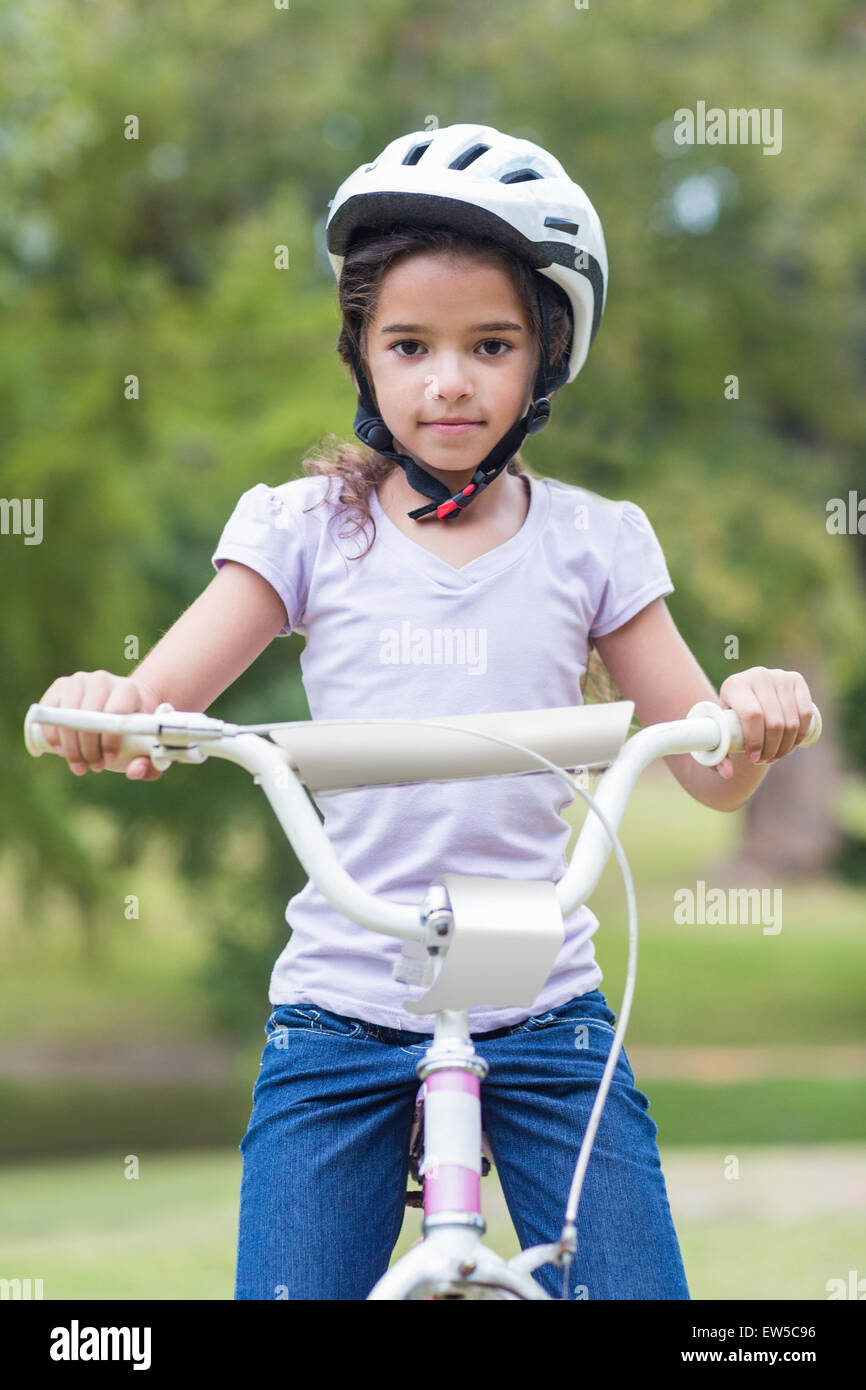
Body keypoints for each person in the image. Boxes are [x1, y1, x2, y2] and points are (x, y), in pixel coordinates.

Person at [38, 123, 816, 1301]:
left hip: (542, 1010)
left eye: (488, 344)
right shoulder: (302, 531)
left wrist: (750, 715)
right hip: (343, 1009)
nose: (447, 379)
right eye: (409, 345)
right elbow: (157, 710)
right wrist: (111, 705)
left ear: (544, 356)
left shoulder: (593, 544)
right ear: (362, 357)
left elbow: (705, 759)